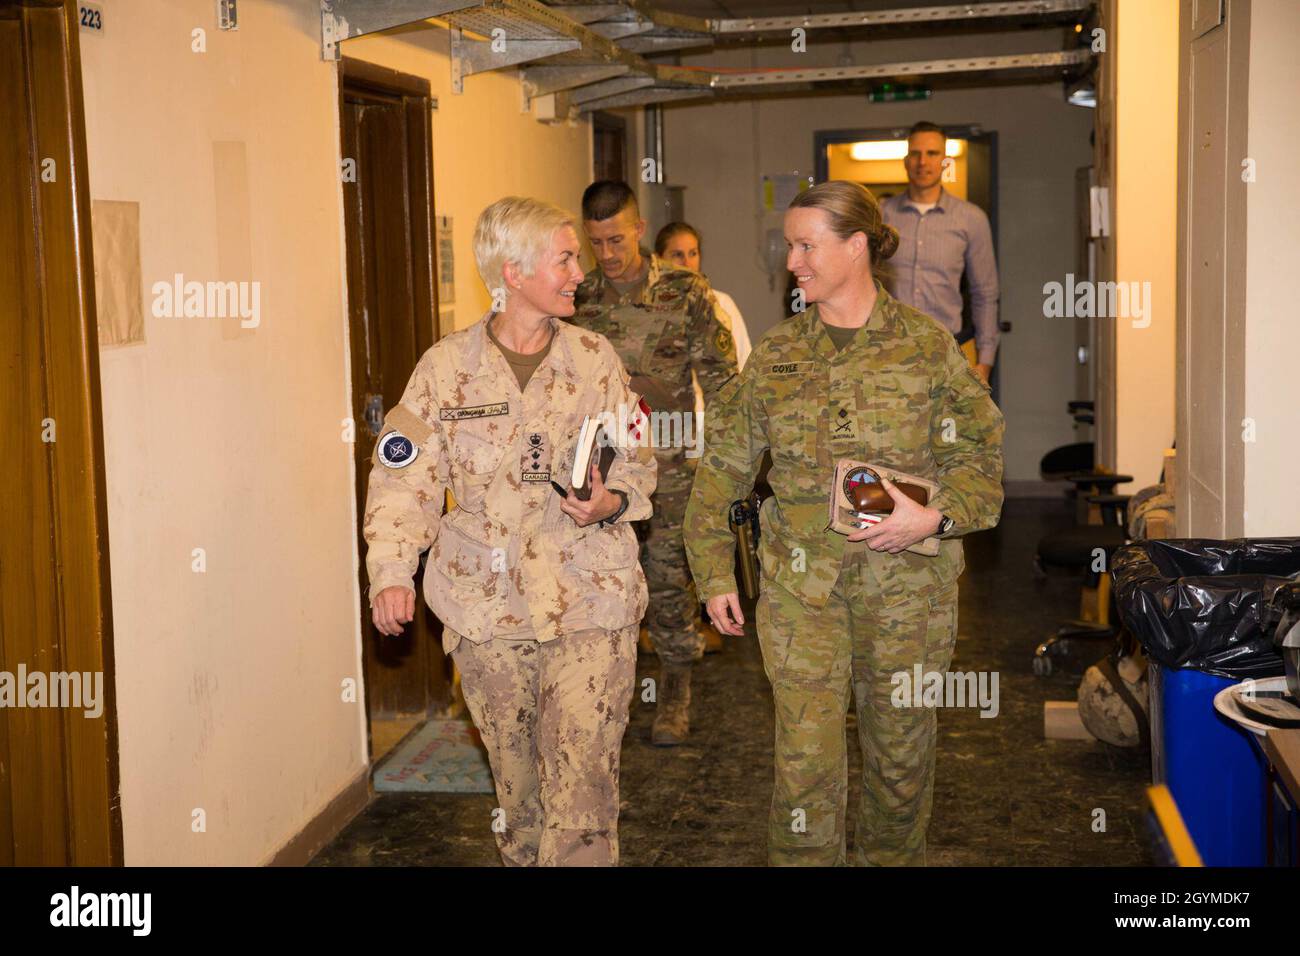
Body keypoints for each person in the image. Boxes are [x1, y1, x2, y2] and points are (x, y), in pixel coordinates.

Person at [684, 181, 1004, 866]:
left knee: (899, 761)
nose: (791, 260)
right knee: (803, 763)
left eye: (806, 245)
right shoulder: (776, 356)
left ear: (856, 246)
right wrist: (714, 576)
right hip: (804, 594)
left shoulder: (926, 347)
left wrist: (935, 516)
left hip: (908, 594)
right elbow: (721, 470)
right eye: (791, 245)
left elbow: (980, 456)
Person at [363, 196, 657, 867]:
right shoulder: (444, 371)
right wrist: (391, 573)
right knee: (519, 798)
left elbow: (640, 458)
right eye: (564, 258)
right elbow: (401, 480)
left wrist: (612, 501)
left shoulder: (596, 358)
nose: (579, 270)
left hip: (590, 600)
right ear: (514, 272)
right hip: (487, 613)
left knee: (581, 792)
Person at [570, 182, 739, 746]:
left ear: (640, 229)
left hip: (671, 461)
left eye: (616, 238)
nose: (608, 253)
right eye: (596, 242)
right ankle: (606, 691)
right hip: (602, 464)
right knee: (602, 581)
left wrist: (728, 462)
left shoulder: (686, 292)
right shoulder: (578, 295)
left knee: (668, 580)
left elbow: (719, 377)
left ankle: (675, 688)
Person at [881, 121, 1000, 385]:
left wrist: (985, 362)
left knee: (947, 427)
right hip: (889, 353)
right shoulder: (881, 215)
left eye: (932, 154)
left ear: (945, 161)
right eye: (915, 154)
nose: (923, 162)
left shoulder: (970, 219)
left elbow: (986, 293)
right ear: (905, 160)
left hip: (947, 353)